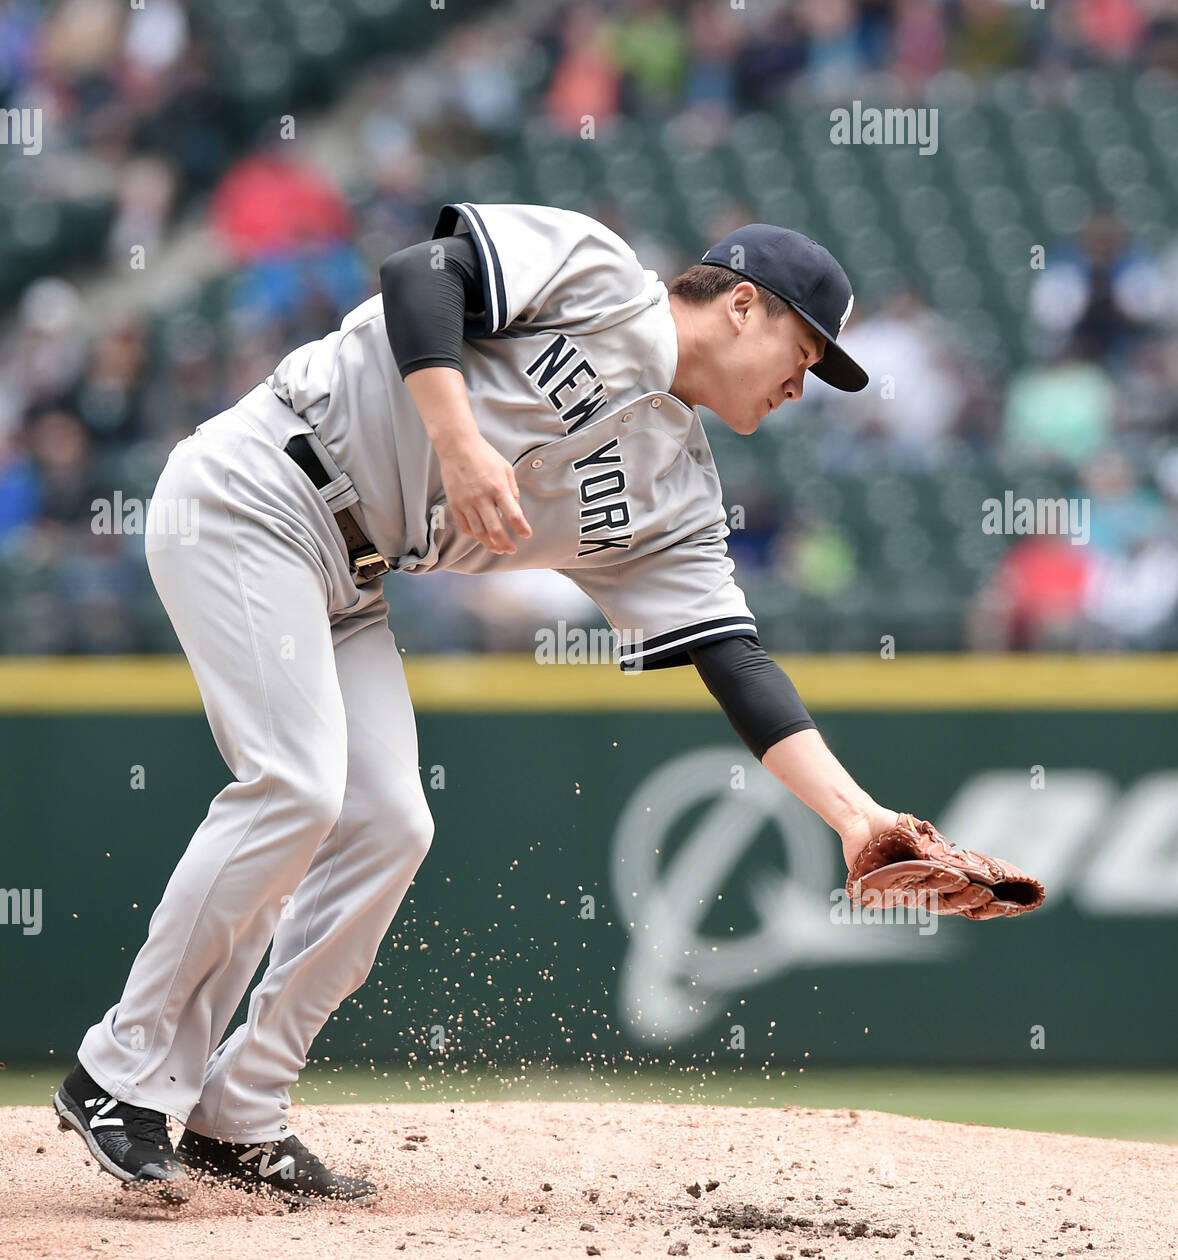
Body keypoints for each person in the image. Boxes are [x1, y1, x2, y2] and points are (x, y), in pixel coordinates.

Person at [53, 207, 930, 1206]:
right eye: (804, 352)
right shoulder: (599, 276)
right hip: (257, 489)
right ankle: (116, 1075)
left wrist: (856, 818)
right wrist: (459, 440)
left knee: (390, 823)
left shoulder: (675, 492)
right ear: (741, 306)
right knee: (295, 786)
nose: (799, 385)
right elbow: (418, 270)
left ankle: (238, 1112)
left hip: (349, 577)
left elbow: (735, 662)